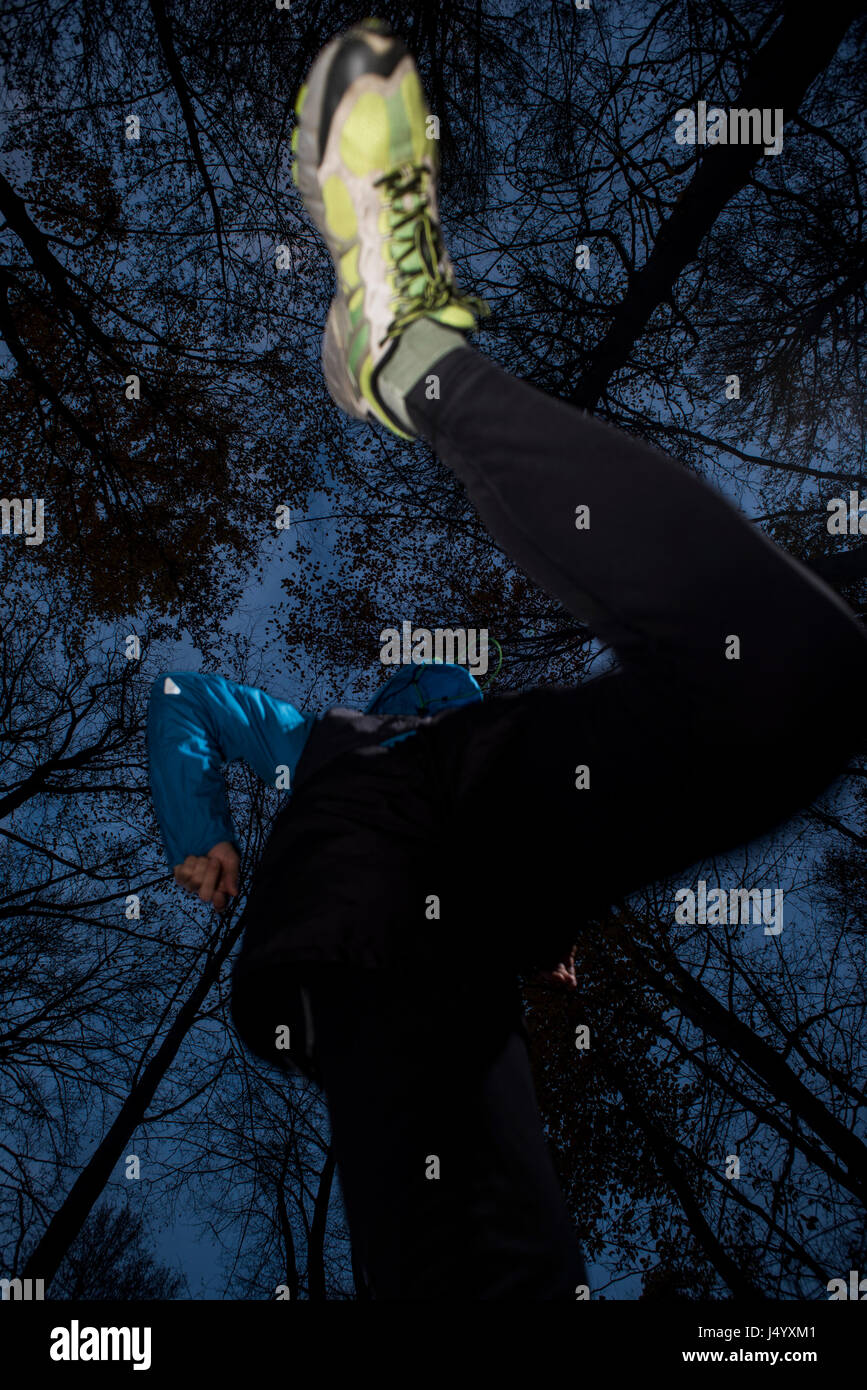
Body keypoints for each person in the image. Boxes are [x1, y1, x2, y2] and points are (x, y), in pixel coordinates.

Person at [148, 18, 867, 1300]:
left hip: (484, 842)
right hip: (373, 894)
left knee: (798, 674)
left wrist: (546, 899)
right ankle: (412, 356)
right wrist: (196, 822)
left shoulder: (472, 727)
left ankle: (408, 357)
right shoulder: (332, 733)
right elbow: (181, 693)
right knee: (485, 1246)